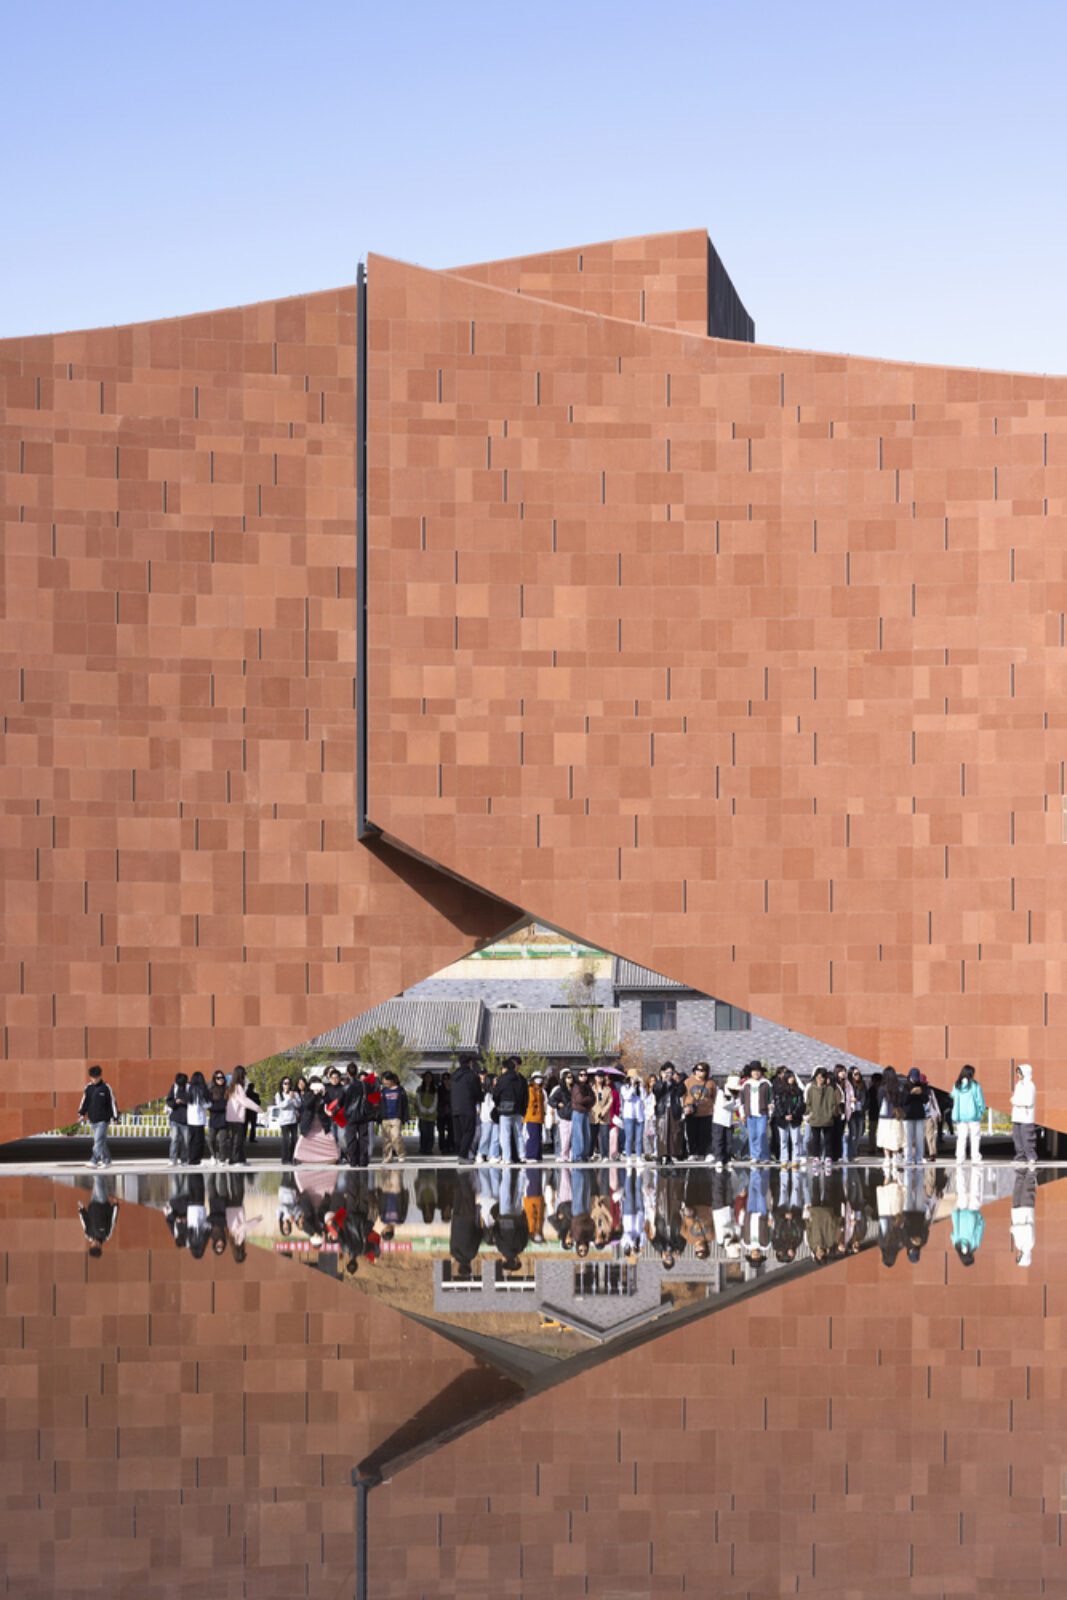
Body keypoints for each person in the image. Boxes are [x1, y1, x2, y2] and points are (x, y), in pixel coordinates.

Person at [79, 1064, 118, 1169]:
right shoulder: (88, 1088)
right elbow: (84, 1101)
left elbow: (112, 1103)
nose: (94, 1079)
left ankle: (94, 1160)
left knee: (98, 1140)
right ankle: (107, 1160)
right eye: (92, 1077)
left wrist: (115, 1117)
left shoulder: (106, 1088)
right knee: (101, 1141)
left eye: (96, 1077)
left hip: (103, 1120)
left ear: (100, 1076)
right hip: (93, 1119)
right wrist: (82, 1113)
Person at [493, 1057, 529, 1164]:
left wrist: (498, 1104)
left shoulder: (502, 1079)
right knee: (519, 1133)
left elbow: (496, 1094)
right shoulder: (521, 1079)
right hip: (518, 1110)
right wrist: (523, 1109)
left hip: (505, 1109)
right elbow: (525, 1096)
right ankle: (522, 1155)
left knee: (505, 1134)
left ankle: (507, 1157)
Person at [805, 1067, 840, 1171]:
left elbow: (834, 1103)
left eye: (822, 1077)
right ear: (815, 1077)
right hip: (815, 1118)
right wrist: (809, 1113)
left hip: (827, 1118)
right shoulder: (811, 1088)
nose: (820, 1079)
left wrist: (832, 1113)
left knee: (828, 1139)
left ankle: (828, 1157)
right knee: (815, 1139)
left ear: (825, 1078)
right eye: (818, 1077)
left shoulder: (830, 1089)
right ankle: (816, 1157)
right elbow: (808, 1103)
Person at [225, 1066, 261, 1165]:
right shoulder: (238, 1087)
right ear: (241, 1075)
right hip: (237, 1117)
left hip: (230, 1118)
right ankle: (236, 1159)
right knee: (238, 1140)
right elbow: (245, 1101)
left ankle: (237, 1159)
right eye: (244, 1074)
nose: (245, 1076)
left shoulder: (231, 1086)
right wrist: (257, 1108)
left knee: (234, 1140)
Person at [950, 1064, 986, 1165]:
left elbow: (953, 1096)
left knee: (961, 1137)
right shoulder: (975, 1085)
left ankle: (960, 1158)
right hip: (973, 1115)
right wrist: (981, 1110)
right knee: (975, 1137)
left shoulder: (957, 1085)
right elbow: (980, 1100)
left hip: (960, 1116)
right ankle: (975, 1158)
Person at [951, 1163, 985, 1266]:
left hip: (973, 1213)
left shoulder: (975, 1245)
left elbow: (980, 1228)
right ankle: (959, 1167)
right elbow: (953, 1232)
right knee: (961, 1189)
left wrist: (980, 1218)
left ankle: (976, 1165)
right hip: (961, 1213)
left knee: (975, 1188)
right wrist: (955, 1212)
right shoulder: (956, 1244)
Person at [449, 1055, 481, 1163]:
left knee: (459, 1134)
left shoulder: (453, 1076)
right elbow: (477, 1092)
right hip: (467, 1108)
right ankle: (463, 1156)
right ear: (470, 1063)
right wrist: (480, 1098)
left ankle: (461, 1153)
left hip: (455, 1108)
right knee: (468, 1132)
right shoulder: (471, 1076)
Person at [653, 1064, 686, 1165]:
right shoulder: (658, 1083)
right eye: (667, 1072)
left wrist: (678, 1081)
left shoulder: (675, 1084)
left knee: (672, 1134)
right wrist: (663, 1081)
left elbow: (682, 1091)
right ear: (662, 1072)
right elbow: (657, 1091)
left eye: (671, 1073)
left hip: (673, 1110)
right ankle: (660, 1155)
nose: (669, 1075)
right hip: (662, 1111)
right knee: (662, 1134)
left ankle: (669, 1157)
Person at [78, 1174, 119, 1256]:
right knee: (98, 1179)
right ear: (100, 1246)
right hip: (103, 1202)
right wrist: (115, 1206)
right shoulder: (106, 1235)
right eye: (96, 1245)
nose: (94, 1243)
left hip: (93, 1203)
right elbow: (112, 1220)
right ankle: (97, 1164)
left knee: (101, 1180)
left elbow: (84, 1221)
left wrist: (81, 1209)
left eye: (93, 1245)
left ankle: (101, 1166)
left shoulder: (88, 1234)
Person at [740, 1062, 771, 1164]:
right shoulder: (746, 1084)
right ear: (750, 1072)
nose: (756, 1073)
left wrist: (770, 1112)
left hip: (762, 1113)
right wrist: (742, 1114)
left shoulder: (766, 1084)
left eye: (758, 1071)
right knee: (752, 1135)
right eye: (754, 1071)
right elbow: (742, 1101)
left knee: (762, 1134)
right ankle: (755, 1156)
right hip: (750, 1114)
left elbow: (771, 1100)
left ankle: (765, 1156)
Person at [683, 1063, 715, 1161]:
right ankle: (693, 1152)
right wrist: (684, 1107)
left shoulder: (710, 1083)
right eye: (698, 1069)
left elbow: (714, 1096)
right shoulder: (688, 1081)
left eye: (702, 1070)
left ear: (706, 1072)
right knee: (691, 1133)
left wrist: (712, 1107)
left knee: (704, 1134)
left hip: (706, 1112)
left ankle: (703, 1153)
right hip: (691, 1112)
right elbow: (683, 1095)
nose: (699, 1072)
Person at [773, 1069, 805, 1167]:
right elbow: (778, 1105)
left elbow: (800, 1105)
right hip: (782, 1120)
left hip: (795, 1120)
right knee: (783, 1141)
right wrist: (784, 1115)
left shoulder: (798, 1091)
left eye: (793, 1077)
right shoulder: (780, 1091)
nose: (792, 1079)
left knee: (795, 1141)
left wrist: (794, 1114)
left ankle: (796, 1159)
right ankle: (784, 1159)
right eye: (790, 1077)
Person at [875, 1067, 905, 1170]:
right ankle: (895, 1156)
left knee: (885, 1138)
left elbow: (879, 1102)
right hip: (896, 1116)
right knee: (896, 1136)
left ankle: (887, 1158)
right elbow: (901, 1101)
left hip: (884, 1117)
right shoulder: (899, 1087)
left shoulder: (882, 1088)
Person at [711, 1073, 740, 1170]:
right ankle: (719, 1158)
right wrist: (735, 1103)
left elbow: (737, 1106)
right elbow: (725, 1105)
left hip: (729, 1121)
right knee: (719, 1140)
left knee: (729, 1141)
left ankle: (727, 1159)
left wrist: (735, 1104)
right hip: (719, 1120)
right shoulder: (721, 1092)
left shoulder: (736, 1094)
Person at [378, 1072, 409, 1163]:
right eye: (383, 1081)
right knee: (386, 1139)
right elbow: (380, 1104)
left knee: (396, 1137)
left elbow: (405, 1104)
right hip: (385, 1117)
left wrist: (405, 1117)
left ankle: (401, 1154)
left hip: (396, 1117)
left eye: (386, 1081)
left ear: (391, 1080)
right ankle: (387, 1157)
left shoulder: (400, 1090)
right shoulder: (383, 1091)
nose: (384, 1083)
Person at [1011, 1062, 1037, 1167]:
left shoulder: (1030, 1085)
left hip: (1026, 1117)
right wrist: (1015, 1100)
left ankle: (1031, 1157)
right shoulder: (1018, 1085)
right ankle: (1020, 1157)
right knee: (1017, 1138)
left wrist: (1015, 1101)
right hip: (1017, 1116)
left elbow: (1028, 1101)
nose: (1018, 1075)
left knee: (1027, 1138)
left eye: (1019, 1073)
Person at [900, 1067, 927, 1167]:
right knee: (908, 1138)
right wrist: (911, 1093)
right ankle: (908, 1158)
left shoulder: (922, 1085)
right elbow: (903, 1101)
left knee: (919, 1138)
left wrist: (920, 1093)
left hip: (919, 1115)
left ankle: (919, 1157)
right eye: (914, 1078)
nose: (915, 1080)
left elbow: (926, 1099)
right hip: (908, 1116)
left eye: (917, 1078)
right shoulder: (905, 1086)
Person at [1010, 1167, 1036, 1267]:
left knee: (1019, 1182)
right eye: (1018, 1258)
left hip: (1016, 1211)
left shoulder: (1018, 1245)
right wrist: (1014, 1229)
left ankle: (1021, 1163)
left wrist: (1014, 1229)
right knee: (1028, 1186)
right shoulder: (1030, 1244)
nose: (1017, 1255)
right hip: (1026, 1209)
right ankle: (1031, 1165)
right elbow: (1028, 1228)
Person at [273, 1075, 301, 1164]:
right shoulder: (279, 1094)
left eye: (288, 1083)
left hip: (293, 1120)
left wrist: (293, 1098)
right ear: (282, 1084)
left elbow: (298, 1105)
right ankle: (285, 1159)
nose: (287, 1085)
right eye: (285, 1083)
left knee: (294, 1139)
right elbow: (281, 1106)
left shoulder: (295, 1093)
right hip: (284, 1121)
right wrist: (288, 1098)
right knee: (286, 1140)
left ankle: (292, 1157)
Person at [570, 1068, 596, 1161]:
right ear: (578, 1076)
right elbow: (580, 1100)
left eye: (585, 1075)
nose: (583, 1076)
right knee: (578, 1135)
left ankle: (584, 1155)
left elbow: (594, 1099)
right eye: (581, 1075)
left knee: (586, 1134)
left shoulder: (588, 1087)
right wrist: (589, 1098)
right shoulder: (576, 1086)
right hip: (578, 1112)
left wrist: (589, 1100)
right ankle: (577, 1155)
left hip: (585, 1111)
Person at [549, 1069, 574, 1161]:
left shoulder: (575, 1089)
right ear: (564, 1079)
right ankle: (564, 1155)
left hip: (574, 1115)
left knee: (573, 1137)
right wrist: (557, 1104)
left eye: (572, 1077)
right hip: (564, 1116)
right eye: (568, 1077)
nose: (570, 1079)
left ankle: (572, 1154)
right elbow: (551, 1100)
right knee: (565, 1138)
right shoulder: (560, 1090)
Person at [620, 1068, 645, 1161]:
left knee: (639, 1139)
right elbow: (627, 1097)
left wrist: (641, 1086)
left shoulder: (640, 1088)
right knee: (629, 1137)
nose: (634, 1080)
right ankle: (629, 1158)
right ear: (629, 1079)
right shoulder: (624, 1088)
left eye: (635, 1078)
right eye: (632, 1078)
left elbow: (643, 1098)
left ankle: (639, 1157)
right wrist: (633, 1087)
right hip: (628, 1115)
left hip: (639, 1116)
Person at [165, 1072, 189, 1167]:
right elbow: (169, 1101)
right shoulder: (174, 1088)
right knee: (174, 1139)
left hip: (186, 1118)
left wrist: (184, 1101)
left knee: (185, 1141)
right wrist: (176, 1102)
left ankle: (184, 1159)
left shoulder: (188, 1088)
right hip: (174, 1118)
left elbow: (192, 1100)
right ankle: (172, 1159)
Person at [185, 1071, 209, 1166]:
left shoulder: (189, 1089)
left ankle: (191, 1158)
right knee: (199, 1141)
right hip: (198, 1120)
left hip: (190, 1119)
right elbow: (204, 1105)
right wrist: (211, 1104)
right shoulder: (200, 1090)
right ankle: (196, 1160)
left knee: (192, 1140)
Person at [206, 1070, 229, 1164]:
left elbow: (229, 1104)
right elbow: (209, 1106)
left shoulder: (227, 1090)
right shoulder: (211, 1091)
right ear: (214, 1079)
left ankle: (222, 1159)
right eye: (218, 1078)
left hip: (224, 1119)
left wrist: (218, 1106)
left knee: (222, 1141)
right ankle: (213, 1155)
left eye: (222, 1077)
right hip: (214, 1119)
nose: (221, 1079)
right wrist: (221, 1106)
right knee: (210, 1139)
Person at [590, 1071, 614, 1160]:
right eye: (597, 1077)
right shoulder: (591, 1089)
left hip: (604, 1116)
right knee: (592, 1136)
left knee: (604, 1136)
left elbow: (610, 1101)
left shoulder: (607, 1089)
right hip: (593, 1115)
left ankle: (605, 1155)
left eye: (601, 1077)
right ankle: (591, 1154)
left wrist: (604, 1111)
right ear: (595, 1078)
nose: (599, 1078)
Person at [844, 1068, 867, 1161]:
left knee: (859, 1133)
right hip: (851, 1112)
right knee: (852, 1133)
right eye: (855, 1074)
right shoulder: (848, 1085)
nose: (858, 1076)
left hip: (860, 1112)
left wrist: (864, 1104)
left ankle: (854, 1151)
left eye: (858, 1073)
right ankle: (850, 1154)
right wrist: (851, 1100)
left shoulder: (863, 1085)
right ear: (851, 1075)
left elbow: (866, 1097)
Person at [524, 1071, 546, 1162]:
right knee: (533, 1136)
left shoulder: (540, 1090)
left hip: (539, 1117)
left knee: (538, 1137)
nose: (539, 1079)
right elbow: (532, 1101)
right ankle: (530, 1155)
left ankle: (537, 1155)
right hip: (532, 1117)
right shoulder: (531, 1089)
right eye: (537, 1077)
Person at [415, 1072, 438, 1157]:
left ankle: (429, 1149)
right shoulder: (420, 1089)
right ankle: (423, 1148)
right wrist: (422, 1109)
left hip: (432, 1114)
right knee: (423, 1132)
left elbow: (436, 1100)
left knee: (430, 1132)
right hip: (422, 1114)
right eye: (426, 1077)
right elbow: (418, 1100)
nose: (428, 1079)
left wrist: (432, 1109)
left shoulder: (435, 1089)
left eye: (430, 1077)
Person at [923, 1081, 941, 1160]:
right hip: (919, 1116)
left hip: (929, 1116)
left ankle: (932, 1154)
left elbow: (934, 1103)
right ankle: (922, 1154)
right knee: (922, 1137)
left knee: (930, 1136)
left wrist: (938, 1113)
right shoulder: (916, 1091)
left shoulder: (930, 1092)